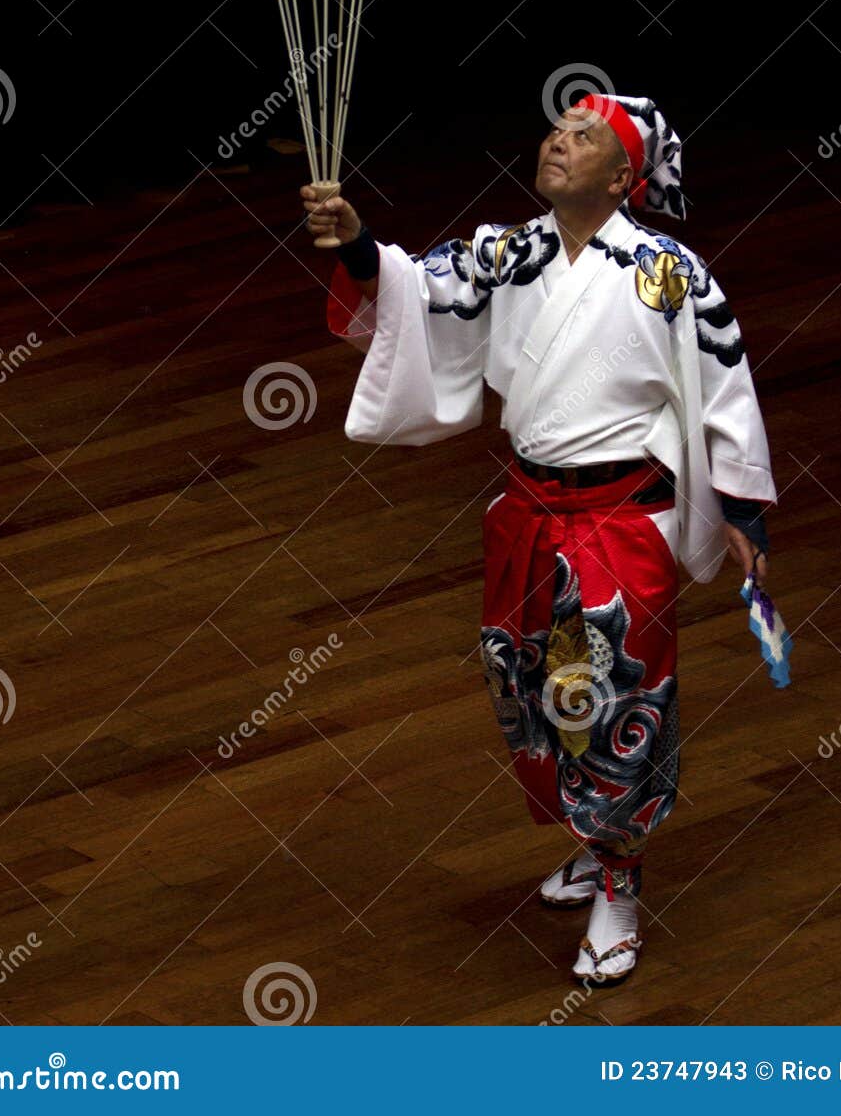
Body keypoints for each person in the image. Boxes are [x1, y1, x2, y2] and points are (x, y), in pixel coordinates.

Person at [302, 93, 777, 988]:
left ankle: (620, 890)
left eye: (584, 136)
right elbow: (415, 292)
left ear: (622, 176)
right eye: (556, 128)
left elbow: (724, 385)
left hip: (618, 524)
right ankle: (593, 848)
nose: (559, 142)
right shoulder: (506, 250)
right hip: (526, 510)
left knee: (609, 706)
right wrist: (359, 241)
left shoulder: (668, 274)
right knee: (531, 690)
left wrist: (743, 513)